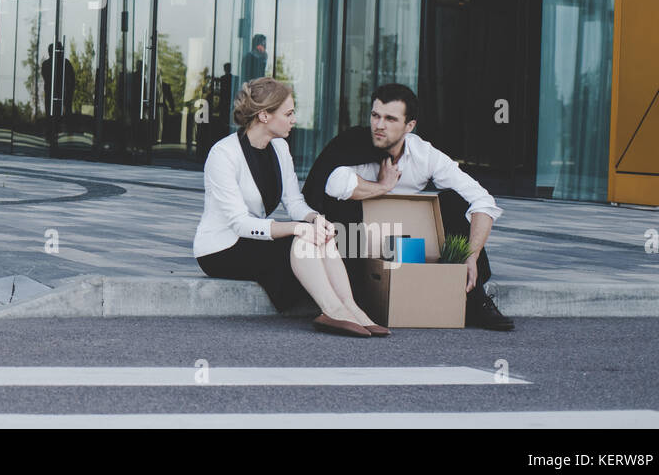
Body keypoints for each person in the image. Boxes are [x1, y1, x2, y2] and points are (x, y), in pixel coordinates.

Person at [303, 82, 514, 331]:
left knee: (453, 201)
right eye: (375, 116)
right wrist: (382, 186)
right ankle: (353, 301)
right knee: (344, 204)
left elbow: (483, 201)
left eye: (390, 119)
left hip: (405, 242)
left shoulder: (424, 154)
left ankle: (474, 298)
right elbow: (333, 185)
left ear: (409, 126)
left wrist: (472, 255)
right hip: (356, 241)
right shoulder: (354, 143)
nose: (379, 125)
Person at [194, 77, 391, 337]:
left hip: (254, 239)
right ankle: (332, 311)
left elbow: (294, 202)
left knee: (321, 234)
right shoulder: (224, 154)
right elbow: (239, 223)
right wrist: (297, 228)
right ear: (264, 116)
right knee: (302, 239)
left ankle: (351, 308)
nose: (294, 119)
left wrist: (314, 219)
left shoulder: (279, 147)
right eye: (288, 113)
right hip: (221, 248)